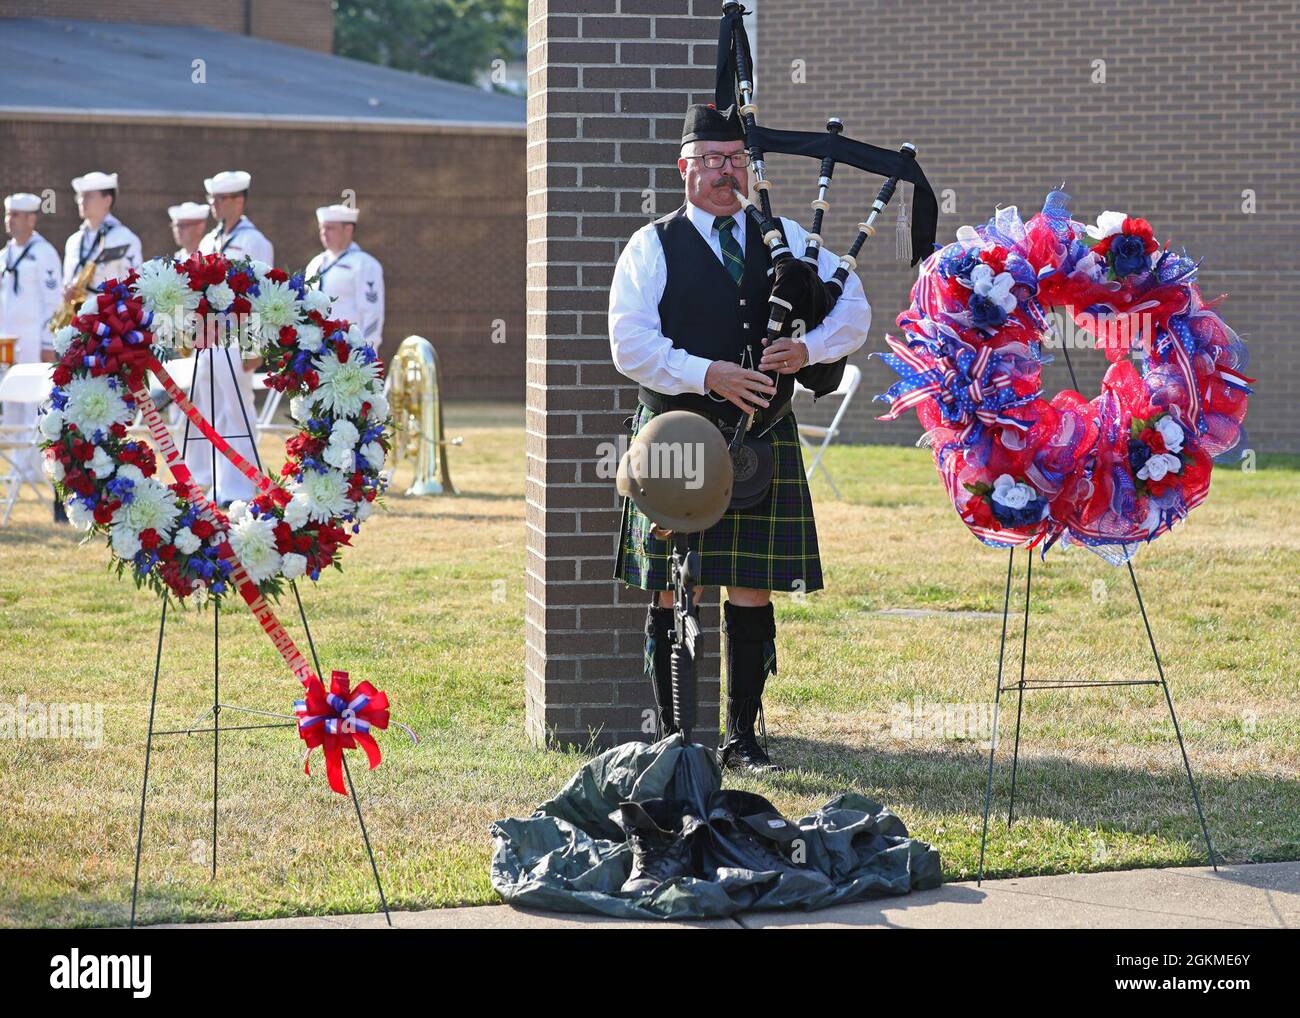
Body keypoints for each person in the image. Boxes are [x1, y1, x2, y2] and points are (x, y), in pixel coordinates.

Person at [608, 103, 872, 772]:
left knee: (749, 585)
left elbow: (857, 308)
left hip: (761, 437)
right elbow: (629, 344)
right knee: (673, 586)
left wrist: (807, 347)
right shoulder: (652, 244)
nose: (725, 173)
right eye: (710, 161)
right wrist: (710, 374)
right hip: (678, 435)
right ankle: (675, 738)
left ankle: (743, 739)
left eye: (736, 161)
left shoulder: (784, 237)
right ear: (684, 168)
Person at [188, 171, 272, 505]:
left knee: (238, 411)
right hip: (210, 337)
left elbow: (261, 296)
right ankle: (223, 485)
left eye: (220, 199)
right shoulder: (209, 240)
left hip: (237, 336)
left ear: (239, 200)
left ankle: (246, 485)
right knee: (213, 411)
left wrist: (255, 345)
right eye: (212, 199)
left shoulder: (254, 241)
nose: (213, 204)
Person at [1, 192, 62, 488]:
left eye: (16, 215)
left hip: (34, 341)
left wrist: (48, 341)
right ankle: (17, 466)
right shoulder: (5, 254)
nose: (9, 221)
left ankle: (36, 469)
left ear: (31, 218)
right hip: (8, 342)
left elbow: (53, 302)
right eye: (8, 214)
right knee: (11, 404)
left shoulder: (44, 253)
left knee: (34, 404)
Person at [305, 204, 385, 346]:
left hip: (349, 350)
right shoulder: (315, 263)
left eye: (329, 228)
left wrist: (367, 348)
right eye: (321, 228)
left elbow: (373, 312)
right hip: (314, 349)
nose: (323, 232)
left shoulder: (365, 264)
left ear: (348, 229)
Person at [62, 171, 142, 294]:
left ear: (107, 201)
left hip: (108, 311)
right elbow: (66, 281)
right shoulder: (73, 241)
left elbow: (134, 287)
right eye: (79, 196)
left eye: (88, 196)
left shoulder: (125, 238)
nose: (81, 201)